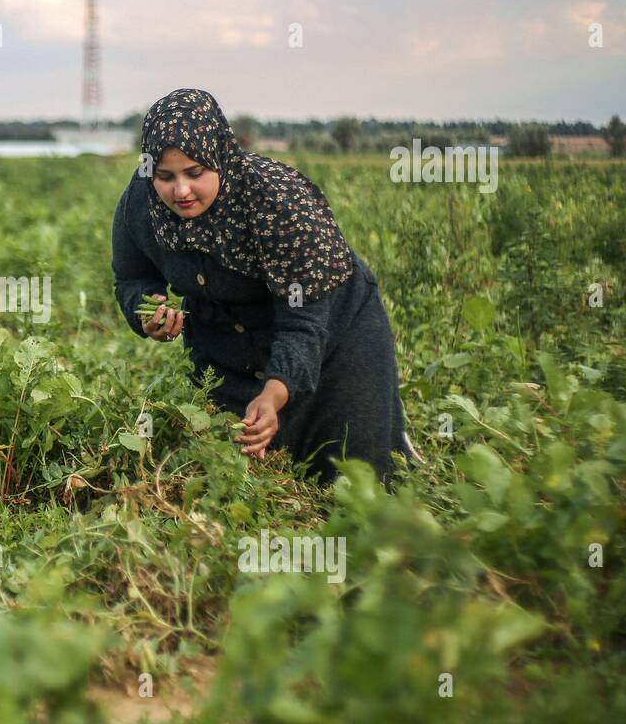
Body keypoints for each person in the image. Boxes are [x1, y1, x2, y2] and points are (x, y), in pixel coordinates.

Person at [111, 88, 419, 485]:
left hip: (333, 330)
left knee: (355, 475)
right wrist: (147, 309)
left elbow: (303, 323)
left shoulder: (276, 203)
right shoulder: (140, 203)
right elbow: (132, 277)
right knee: (237, 474)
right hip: (225, 339)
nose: (180, 191)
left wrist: (274, 393)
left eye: (195, 173)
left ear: (222, 158)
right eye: (165, 177)